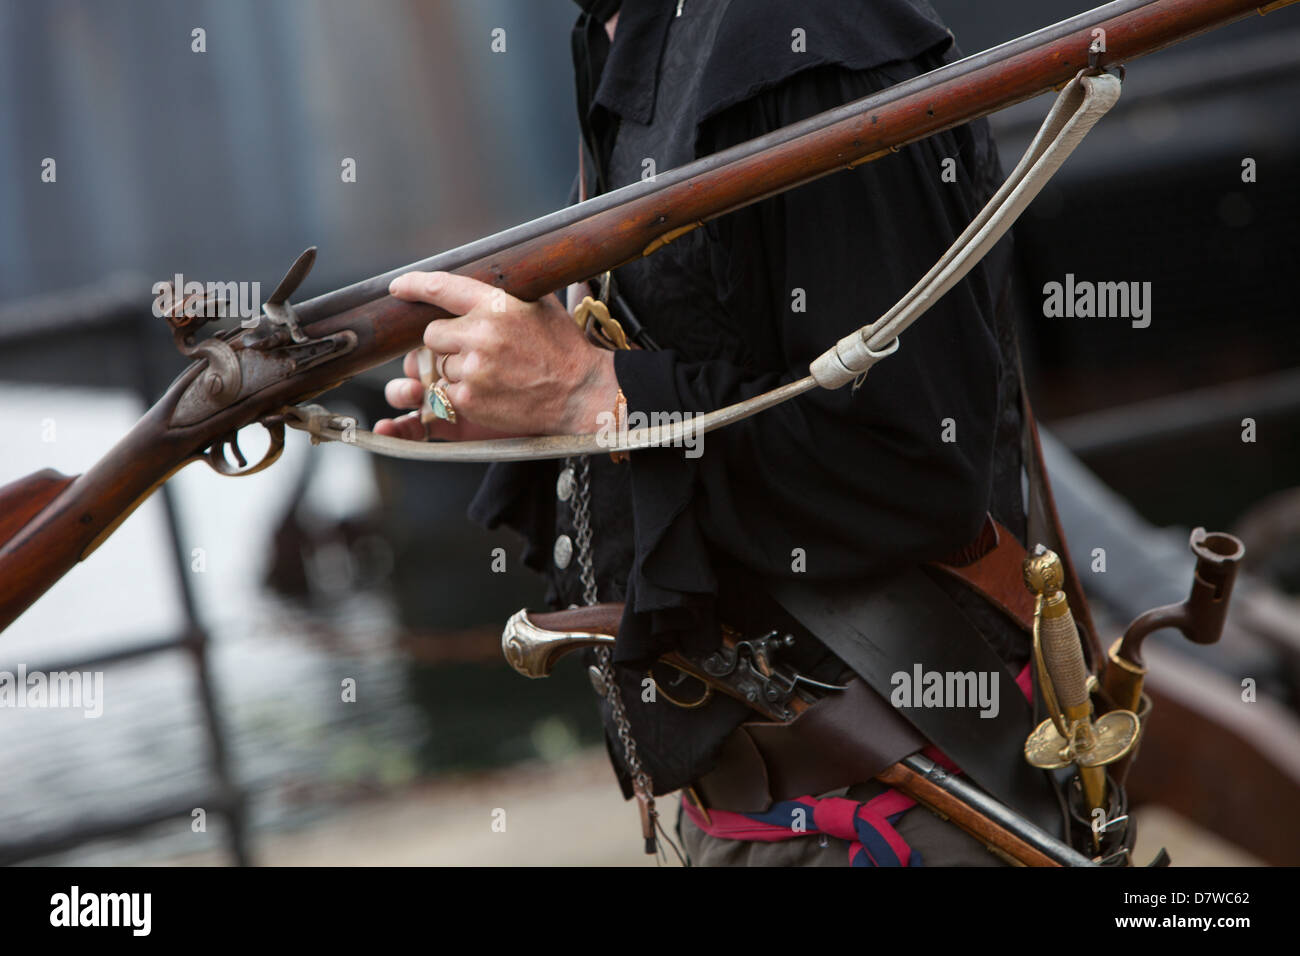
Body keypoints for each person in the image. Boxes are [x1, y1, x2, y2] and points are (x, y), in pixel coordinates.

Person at [375, 0, 1048, 866]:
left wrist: (588, 392)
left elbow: (913, 464)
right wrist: (531, 398)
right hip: (748, 817)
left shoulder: (801, 38)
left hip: (902, 811)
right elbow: (709, 353)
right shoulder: (623, 30)